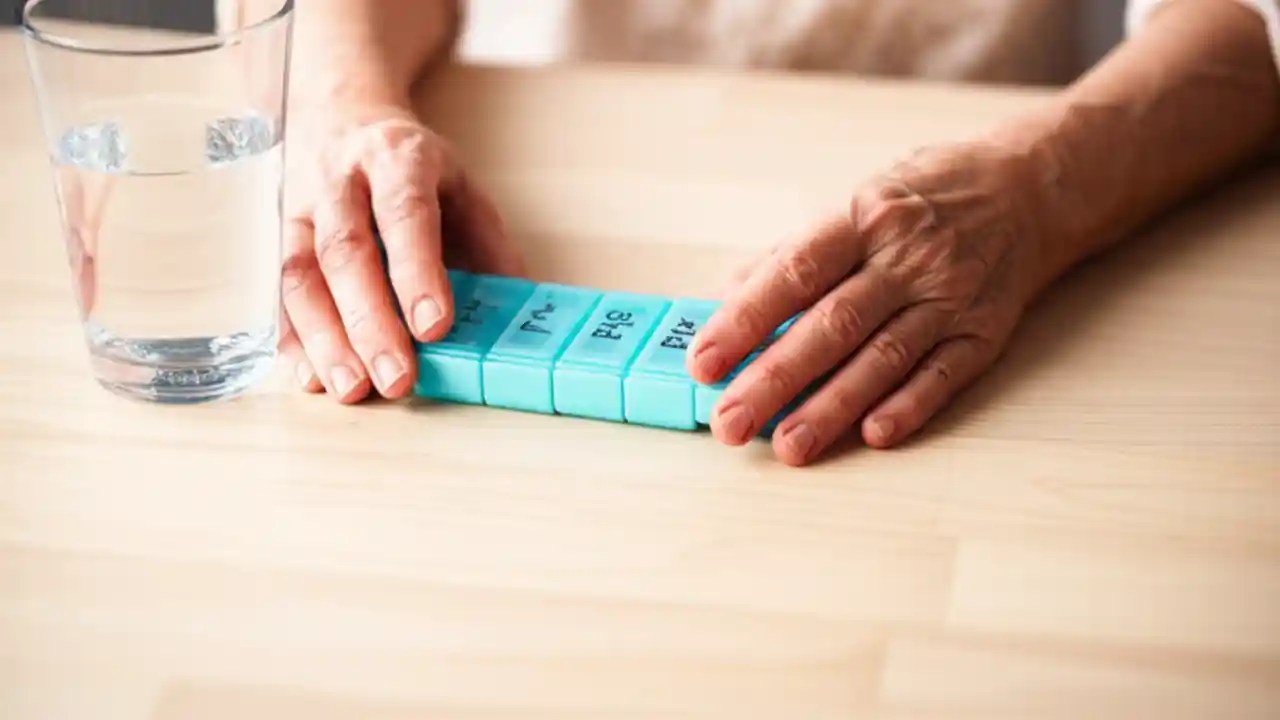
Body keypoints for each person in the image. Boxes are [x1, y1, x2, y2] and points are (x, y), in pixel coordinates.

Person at [271, 0, 1280, 466]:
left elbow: (1247, 33)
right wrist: (344, 106)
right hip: (578, 178)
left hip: (1018, 223)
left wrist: (1031, 186)